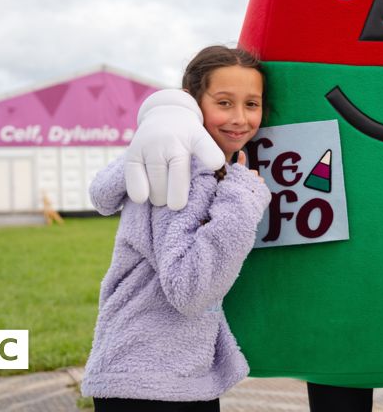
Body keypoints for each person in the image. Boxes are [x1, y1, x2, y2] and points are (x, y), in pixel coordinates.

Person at [81, 46, 272, 411]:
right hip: (148, 379)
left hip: (164, 374)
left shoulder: (194, 164)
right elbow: (190, 288)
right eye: (224, 102)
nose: (240, 118)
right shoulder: (182, 169)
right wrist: (243, 199)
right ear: (194, 103)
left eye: (252, 104)